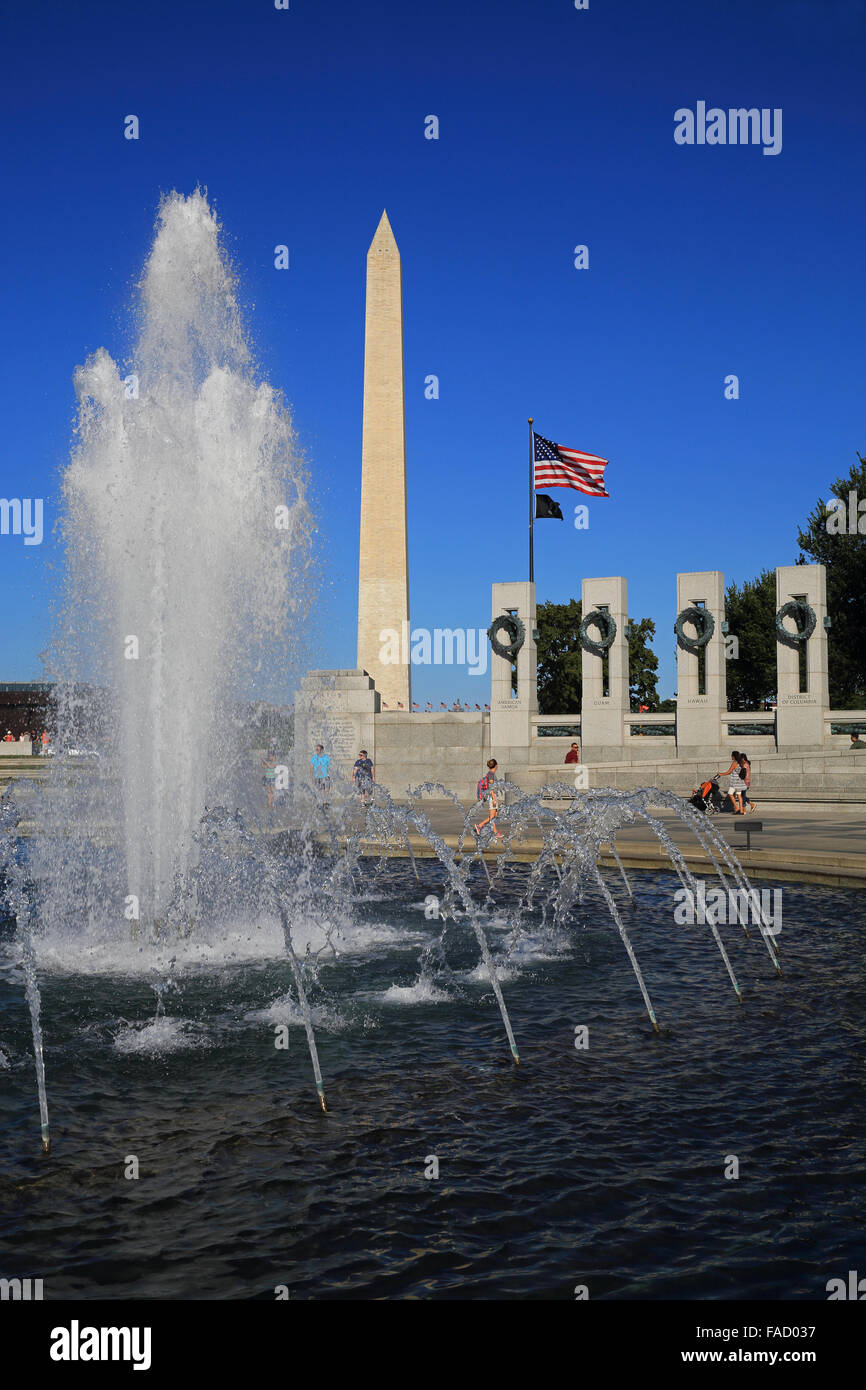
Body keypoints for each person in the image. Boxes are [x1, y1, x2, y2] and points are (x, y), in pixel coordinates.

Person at [475, 758, 504, 841]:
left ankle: (479, 826)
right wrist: (494, 798)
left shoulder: (491, 773)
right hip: (492, 797)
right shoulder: (491, 774)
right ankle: (495, 833)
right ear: (496, 765)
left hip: (492, 797)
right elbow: (491, 788)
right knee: (492, 817)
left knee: (494, 815)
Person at [721, 750, 745, 814]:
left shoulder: (735, 763)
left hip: (734, 782)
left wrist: (721, 774)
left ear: (734, 756)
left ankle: (736, 808)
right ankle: (741, 810)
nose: (731, 757)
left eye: (732, 756)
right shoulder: (741, 762)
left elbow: (729, 772)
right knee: (739, 795)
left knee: (730, 794)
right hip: (740, 782)